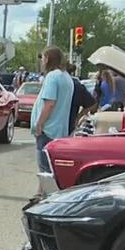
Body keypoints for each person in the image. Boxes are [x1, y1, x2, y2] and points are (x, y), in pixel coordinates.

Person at [31, 47, 75, 200]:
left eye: (43, 58)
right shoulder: (66, 77)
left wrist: (39, 124)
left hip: (48, 129)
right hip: (60, 129)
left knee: (45, 168)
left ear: (48, 59)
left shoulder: (52, 77)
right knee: (51, 168)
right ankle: (41, 193)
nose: (41, 61)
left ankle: (49, 199)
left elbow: (49, 103)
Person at [67, 63, 97, 135]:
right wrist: (78, 117)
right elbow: (91, 103)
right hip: (69, 124)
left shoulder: (56, 83)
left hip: (52, 126)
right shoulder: (77, 85)